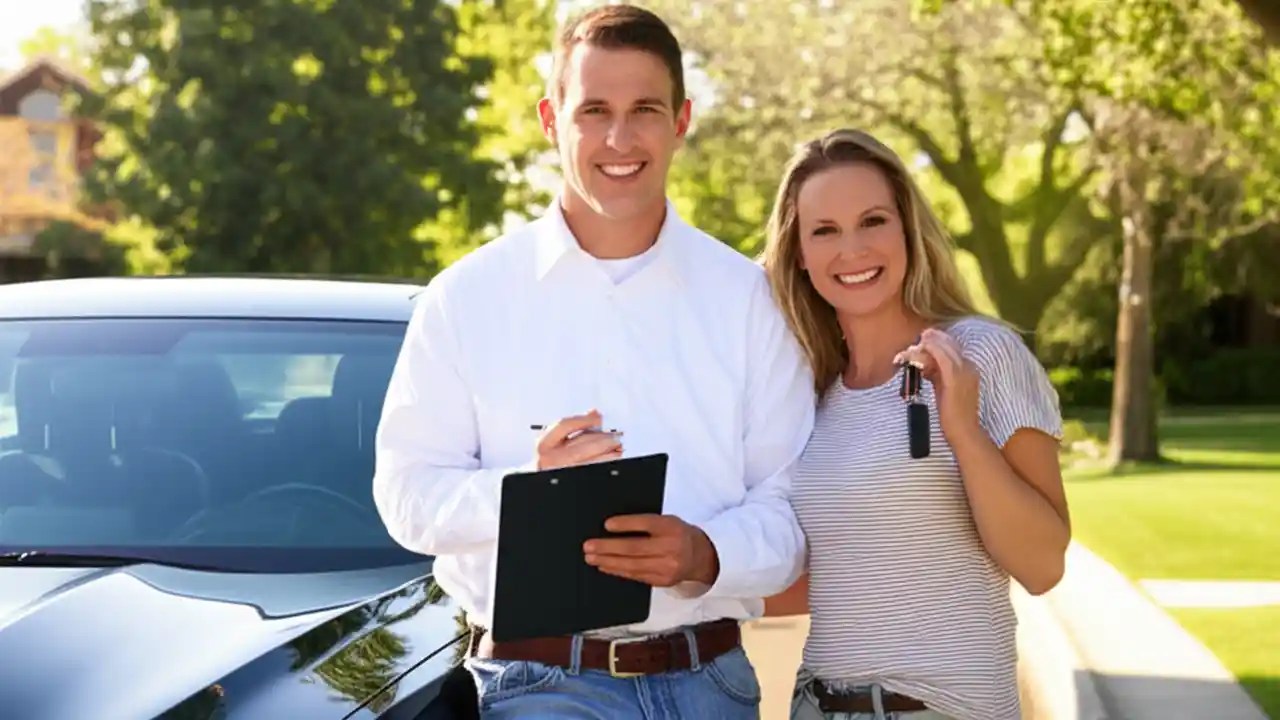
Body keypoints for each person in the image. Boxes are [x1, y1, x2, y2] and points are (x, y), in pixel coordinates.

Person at [372, 5, 816, 719]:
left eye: (644, 108)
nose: (619, 137)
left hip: (714, 683)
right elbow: (406, 498)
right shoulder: (465, 299)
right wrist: (528, 491)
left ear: (681, 120)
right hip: (538, 684)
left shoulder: (750, 301)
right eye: (593, 110)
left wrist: (707, 554)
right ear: (551, 119)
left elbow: (793, 506)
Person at [759, 129, 1071, 720]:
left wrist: (962, 430)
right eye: (824, 230)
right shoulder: (809, 392)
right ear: (799, 253)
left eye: (872, 221)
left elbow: (1043, 565)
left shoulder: (983, 353)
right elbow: (837, 576)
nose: (852, 249)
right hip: (814, 704)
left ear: (906, 228)